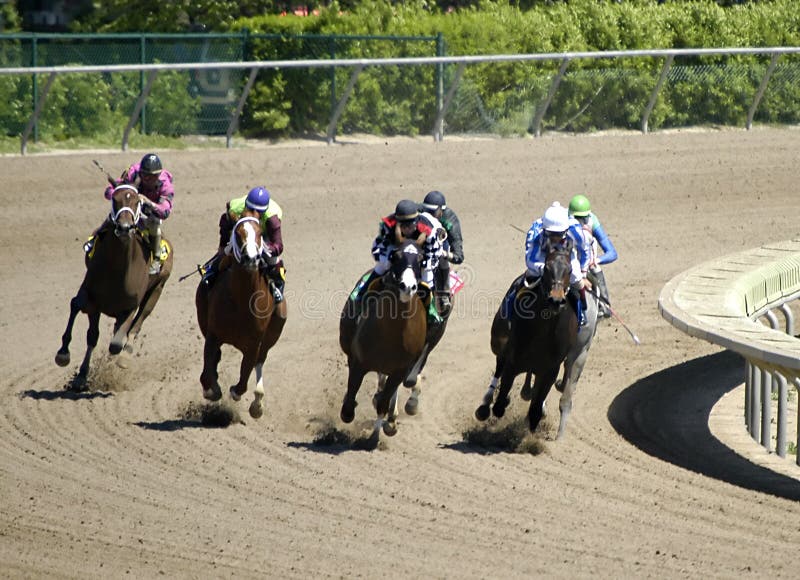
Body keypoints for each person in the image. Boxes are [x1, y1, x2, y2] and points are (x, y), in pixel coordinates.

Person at [352, 199, 445, 322]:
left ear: (416, 222)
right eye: (403, 226)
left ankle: (432, 310)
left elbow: (434, 253)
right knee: (382, 267)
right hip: (396, 248)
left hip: (422, 251)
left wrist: (421, 263)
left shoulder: (429, 230)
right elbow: (378, 247)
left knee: (427, 276)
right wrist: (391, 258)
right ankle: (361, 296)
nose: (407, 230)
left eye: (410, 225)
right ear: (397, 222)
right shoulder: (387, 225)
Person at [84, 153, 174, 275]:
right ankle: (95, 239)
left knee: (154, 224)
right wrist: (118, 194)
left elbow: (165, 211)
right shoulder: (132, 172)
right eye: (144, 175)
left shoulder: (165, 185)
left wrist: (148, 202)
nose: (147, 179)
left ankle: (156, 258)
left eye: (151, 177)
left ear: (158, 175)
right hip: (129, 206)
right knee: (116, 215)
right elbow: (109, 190)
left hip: (149, 213)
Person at [503, 201, 590, 326]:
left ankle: (582, 311)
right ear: (544, 229)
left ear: (565, 230)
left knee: (576, 277)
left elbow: (585, 250)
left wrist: (584, 272)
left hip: (567, 255)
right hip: (543, 257)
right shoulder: (535, 231)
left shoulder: (575, 230)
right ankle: (509, 308)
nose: (555, 238)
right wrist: (548, 269)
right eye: (551, 234)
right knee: (527, 277)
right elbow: (530, 259)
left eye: (559, 234)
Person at [201, 186, 286, 303]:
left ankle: (277, 286)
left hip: (262, 235)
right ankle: (211, 271)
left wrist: (263, 248)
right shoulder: (235, 209)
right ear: (246, 205)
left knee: (273, 260)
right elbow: (225, 224)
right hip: (242, 231)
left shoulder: (272, 219)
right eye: (250, 209)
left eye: (258, 212)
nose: (253, 214)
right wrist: (223, 245)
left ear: (264, 212)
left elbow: (278, 246)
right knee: (226, 251)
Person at [568, 194, 617, 317]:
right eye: (577, 218)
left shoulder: (593, 221)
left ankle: (604, 305)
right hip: (569, 262)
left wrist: (596, 260)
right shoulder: (563, 221)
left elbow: (612, 253)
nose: (580, 222)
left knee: (595, 268)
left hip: (587, 263)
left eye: (583, 218)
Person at [419, 190, 464, 312]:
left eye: (433, 212)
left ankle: (443, 294)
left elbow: (459, 256)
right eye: (426, 211)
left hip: (439, 251)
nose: (429, 214)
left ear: (441, 211)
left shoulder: (450, 220)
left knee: (442, 259)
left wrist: (444, 253)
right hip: (418, 247)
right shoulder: (418, 211)